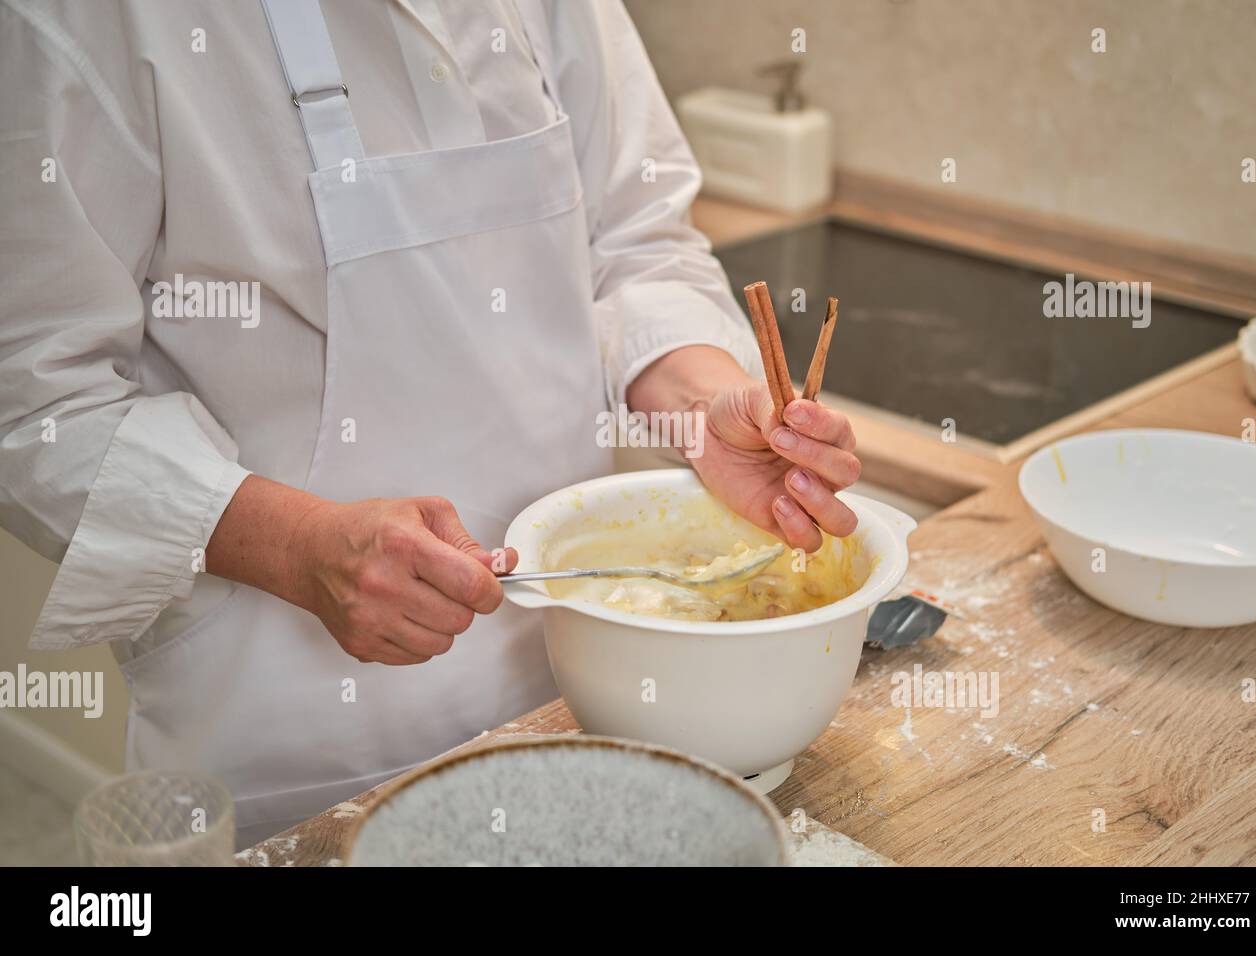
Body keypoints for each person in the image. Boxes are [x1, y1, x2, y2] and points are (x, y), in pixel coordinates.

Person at [0, 0, 859, 844]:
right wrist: (296, 544)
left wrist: (701, 411)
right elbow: (37, 405)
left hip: (584, 705)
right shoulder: (88, 20)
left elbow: (635, 243)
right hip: (295, 766)